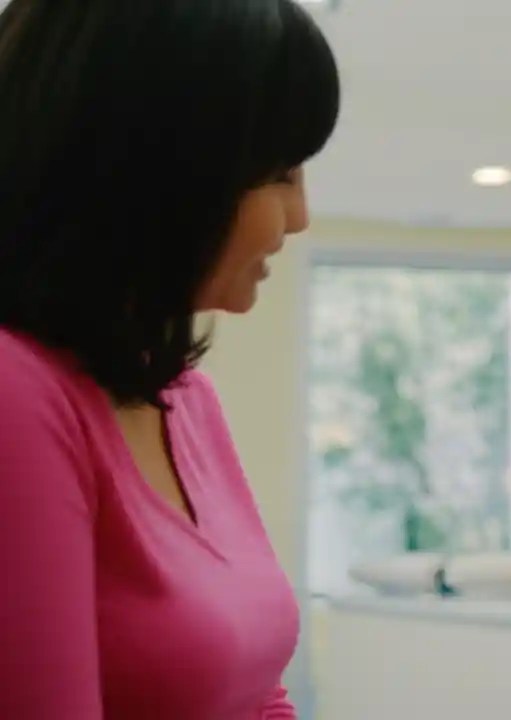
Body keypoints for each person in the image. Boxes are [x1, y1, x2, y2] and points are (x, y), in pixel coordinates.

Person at [0, 0, 339, 717]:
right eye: (280, 172)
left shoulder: (184, 395)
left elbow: (256, 693)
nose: (301, 215)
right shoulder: (15, 395)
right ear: (160, 168)